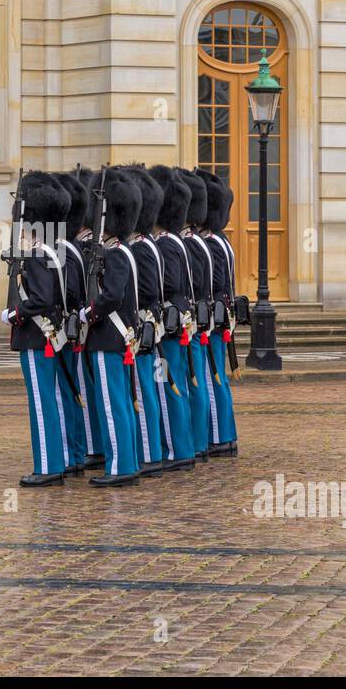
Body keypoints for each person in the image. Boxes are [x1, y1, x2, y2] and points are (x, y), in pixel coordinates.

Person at [2, 171, 73, 487]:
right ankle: (56, 461)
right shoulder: (54, 252)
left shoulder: (36, 256)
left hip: (36, 336)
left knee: (42, 404)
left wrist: (13, 314)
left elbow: (42, 299)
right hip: (50, 336)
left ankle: (48, 466)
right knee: (51, 399)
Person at [78, 168, 142, 488]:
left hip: (108, 336)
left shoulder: (116, 254)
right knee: (120, 402)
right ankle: (126, 461)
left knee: (111, 403)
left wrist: (89, 312)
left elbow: (113, 296)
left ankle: (119, 467)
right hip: (120, 337)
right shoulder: (123, 251)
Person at [119, 165, 167, 478]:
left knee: (144, 389)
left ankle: (150, 452)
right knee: (148, 387)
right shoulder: (147, 244)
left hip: (144, 323)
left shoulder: (142, 248)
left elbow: (148, 288)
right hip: (148, 323)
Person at [149, 166, 197, 473]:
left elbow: (167, 283)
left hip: (168, 324)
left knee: (168, 385)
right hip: (177, 319)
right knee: (176, 383)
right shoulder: (175, 240)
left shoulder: (166, 242)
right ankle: (184, 447)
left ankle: (175, 450)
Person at [196, 169, 241, 458]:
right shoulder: (219, 239)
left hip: (212, 317)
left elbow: (213, 282)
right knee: (216, 376)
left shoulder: (212, 242)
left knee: (213, 377)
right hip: (218, 315)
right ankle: (224, 433)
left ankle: (221, 435)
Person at [52, 170, 93, 476]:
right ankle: (77, 451)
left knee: (67, 392)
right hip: (75, 328)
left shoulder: (64, 250)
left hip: (65, 331)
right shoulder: (72, 248)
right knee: (73, 391)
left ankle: (73, 452)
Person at [73, 166, 107, 472]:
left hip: (93, 325)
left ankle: (96, 445)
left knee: (91, 389)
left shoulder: (91, 249)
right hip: (92, 324)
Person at [178, 168, 213, 463]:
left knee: (194, 380)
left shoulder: (190, 244)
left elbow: (198, 283)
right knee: (197, 380)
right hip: (197, 315)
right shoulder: (198, 242)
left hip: (190, 318)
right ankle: (201, 440)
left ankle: (199, 440)